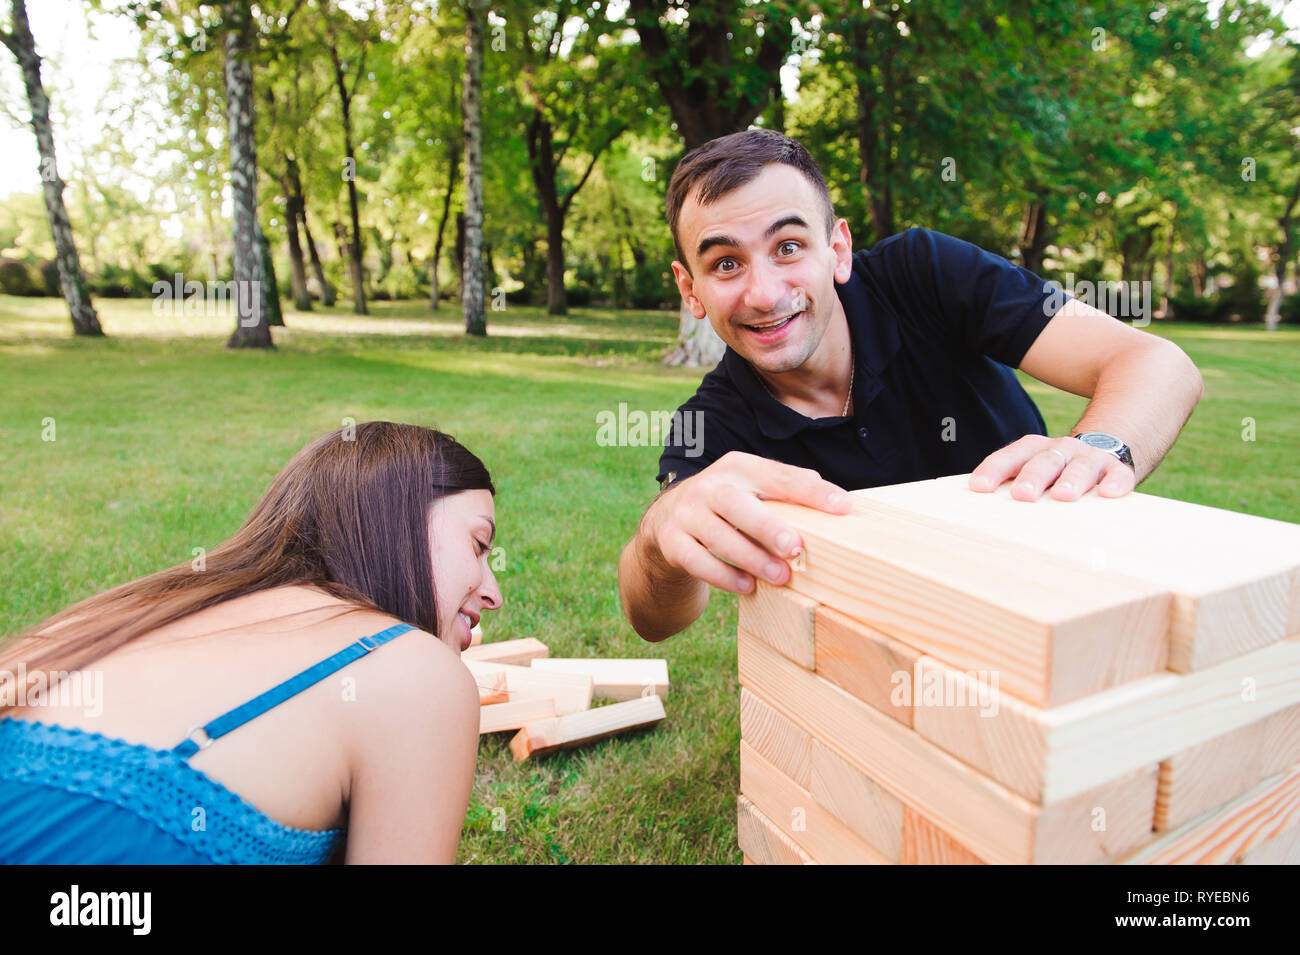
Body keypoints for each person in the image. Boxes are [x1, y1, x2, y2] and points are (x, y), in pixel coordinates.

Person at [619, 129, 1204, 643]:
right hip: (885, 648)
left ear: (837, 249)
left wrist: (1097, 449)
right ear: (689, 289)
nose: (766, 293)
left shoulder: (925, 273)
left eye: (788, 247)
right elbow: (656, 619)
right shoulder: (713, 425)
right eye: (725, 263)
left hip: (1039, 592)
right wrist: (658, 535)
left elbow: (1156, 363)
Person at [0, 421, 502, 864]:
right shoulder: (416, 670)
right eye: (479, 546)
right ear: (398, 520)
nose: (492, 591)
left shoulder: (153, 607)